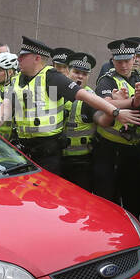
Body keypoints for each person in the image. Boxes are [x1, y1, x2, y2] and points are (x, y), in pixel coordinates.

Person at [0, 37, 139, 174]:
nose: (18, 59)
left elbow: (85, 96)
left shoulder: (52, 77)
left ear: (37, 58)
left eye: (23, 56)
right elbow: (6, 106)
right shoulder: (18, 79)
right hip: (24, 151)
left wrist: (115, 112)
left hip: (47, 154)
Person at [92, 39, 140, 215]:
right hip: (109, 150)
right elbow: (105, 103)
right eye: (119, 61)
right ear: (113, 61)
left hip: (134, 149)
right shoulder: (107, 80)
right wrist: (132, 101)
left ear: (134, 59)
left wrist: (119, 102)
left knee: (133, 200)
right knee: (107, 199)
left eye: (127, 60)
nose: (123, 65)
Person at [60, 51, 98, 191]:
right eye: (76, 72)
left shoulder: (92, 98)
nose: (80, 76)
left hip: (82, 163)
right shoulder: (57, 93)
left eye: (85, 74)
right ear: (68, 72)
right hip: (57, 158)